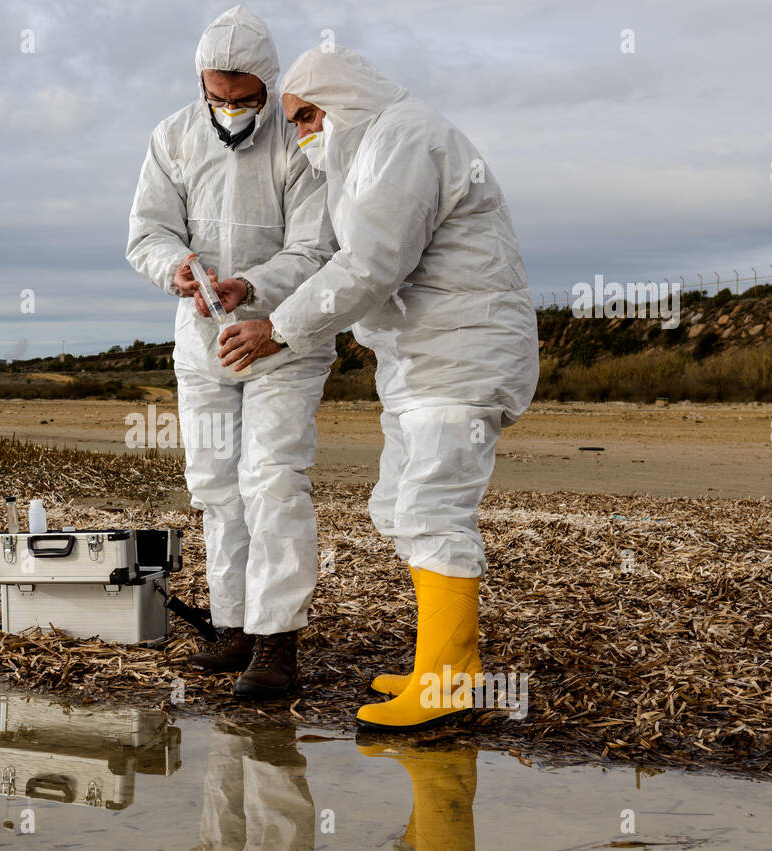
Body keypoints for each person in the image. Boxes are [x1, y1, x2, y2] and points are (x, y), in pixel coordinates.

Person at [217, 46, 539, 728]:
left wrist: (276, 327)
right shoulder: (370, 154)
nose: (302, 131)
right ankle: (443, 662)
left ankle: (449, 676)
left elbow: (370, 265)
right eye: (294, 120)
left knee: (431, 510)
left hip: (460, 358)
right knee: (397, 506)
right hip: (423, 363)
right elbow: (349, 259)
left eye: (308, 114)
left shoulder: (402, 139)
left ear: (342, 96)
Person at [125, 6, 337, 699]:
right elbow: (148, 233)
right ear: (201, 85)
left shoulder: (300, 136)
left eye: (246, 100)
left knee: (272, 478)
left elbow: (316, 247)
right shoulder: (173, 137)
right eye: (220, 98)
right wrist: (177, 269)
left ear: (268, 88)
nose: (233, 110)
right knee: (217, 485)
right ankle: (236, 625)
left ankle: (279, 642)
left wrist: (253, 286)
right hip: (203, 340)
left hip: (284, 337)